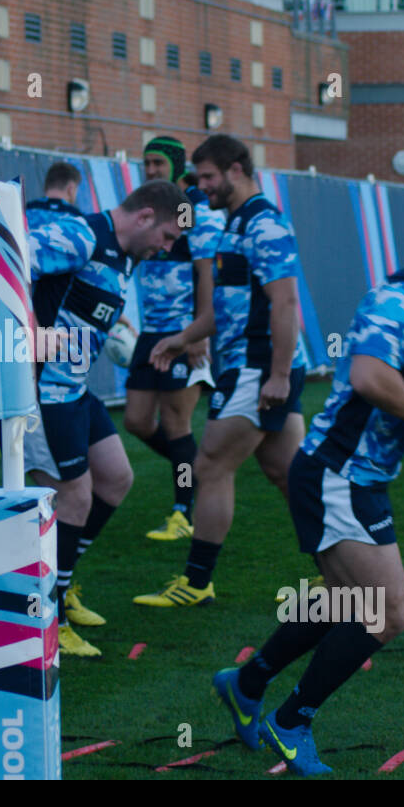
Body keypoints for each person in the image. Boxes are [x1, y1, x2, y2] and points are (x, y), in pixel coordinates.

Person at [213, 205, 404, 774]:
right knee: (388, 610)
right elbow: (370, 377)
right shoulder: (396, 301)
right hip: (334, 474)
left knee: (345, 600)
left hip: (360, 478)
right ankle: (292, 720)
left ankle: (245, 683)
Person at [135, 134, 305, 606]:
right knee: (289, 474)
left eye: (207, 176)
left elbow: (285, 302)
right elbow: (225, 310)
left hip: (257, 368)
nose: (200, 185)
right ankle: (347, 576)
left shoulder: (264, 225)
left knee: (209, 466)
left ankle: (195, 583)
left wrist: (278, 374)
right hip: (249, 366)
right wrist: (182, 338)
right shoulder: (235, 225)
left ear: (235, 169)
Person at [23, 179, 187, 656]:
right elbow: (10, 260)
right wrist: (33, 333)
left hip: (74, 390)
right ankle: (47, 621)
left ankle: (65, 584)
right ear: (144, 217)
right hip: (42, 393)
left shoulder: (126, 254)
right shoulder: (81, 235)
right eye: (169, 237)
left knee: (115, 479)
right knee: (73, 498)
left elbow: (78, 300)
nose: (167, 248)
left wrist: (115, 326)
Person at [123, 137, 220, 542]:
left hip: (183, 332)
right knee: (137, 421)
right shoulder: (145, 211)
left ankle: (182, 513)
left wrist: (198, 332)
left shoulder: (194, 211)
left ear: (177, 168)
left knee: (176, 423)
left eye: (157, 163)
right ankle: (195, 469)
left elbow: (206, 273)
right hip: (150, 332)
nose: (149, 170)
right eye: (145, 163)